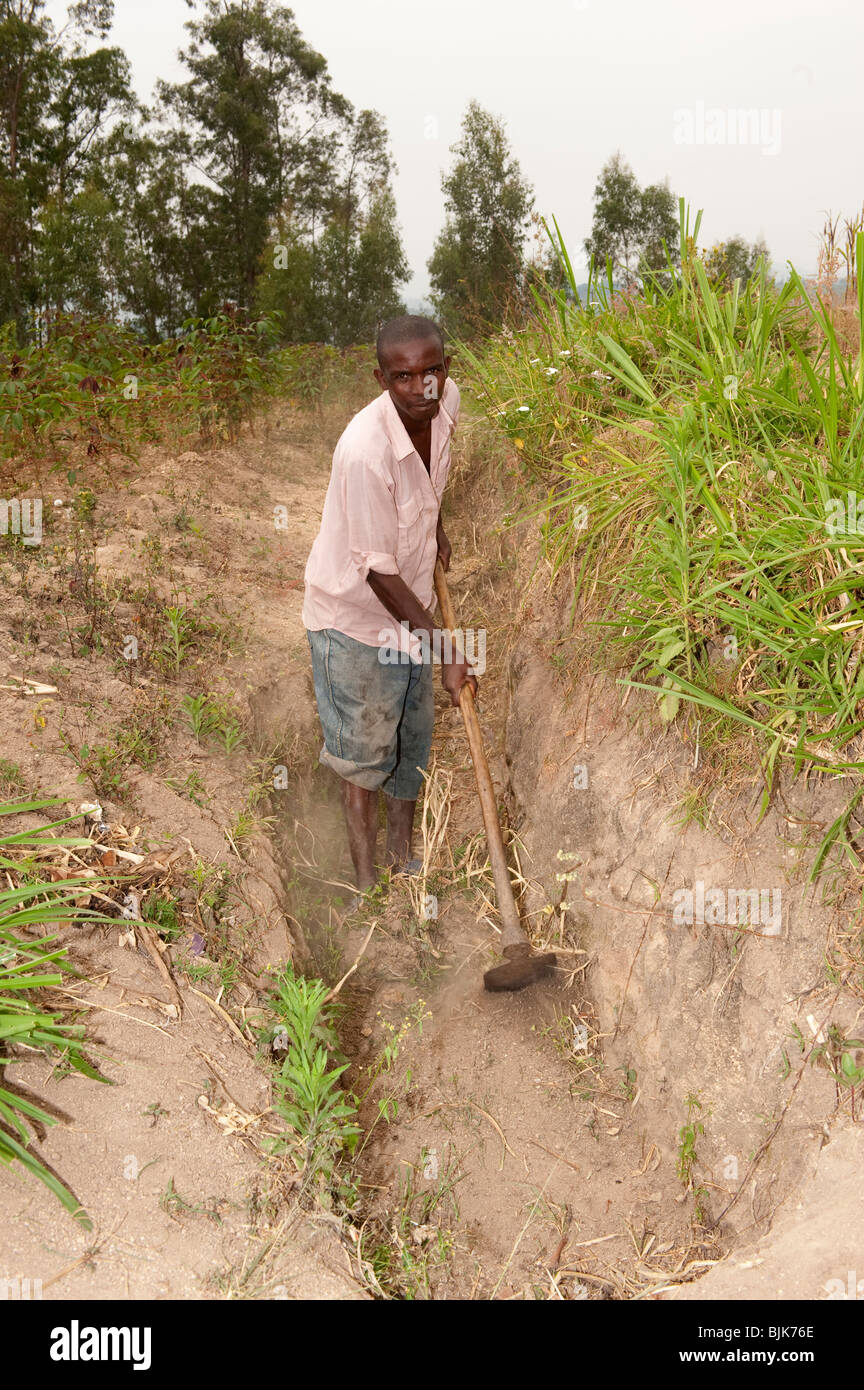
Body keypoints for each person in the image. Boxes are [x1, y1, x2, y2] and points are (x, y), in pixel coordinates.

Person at [303, 314, 477, 897]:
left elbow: (430, 481)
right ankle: (365, 888)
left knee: (410, 742)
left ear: (446, 369)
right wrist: (445, 649)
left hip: (413, 609)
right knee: (364, 756)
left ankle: (404, 863)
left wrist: (436, 526)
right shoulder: (364, 452)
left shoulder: (447, 403)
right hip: (355, 621)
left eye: (431, 371)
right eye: (403, 376)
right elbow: (378, 575)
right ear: (381, 379)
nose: (420, 387)